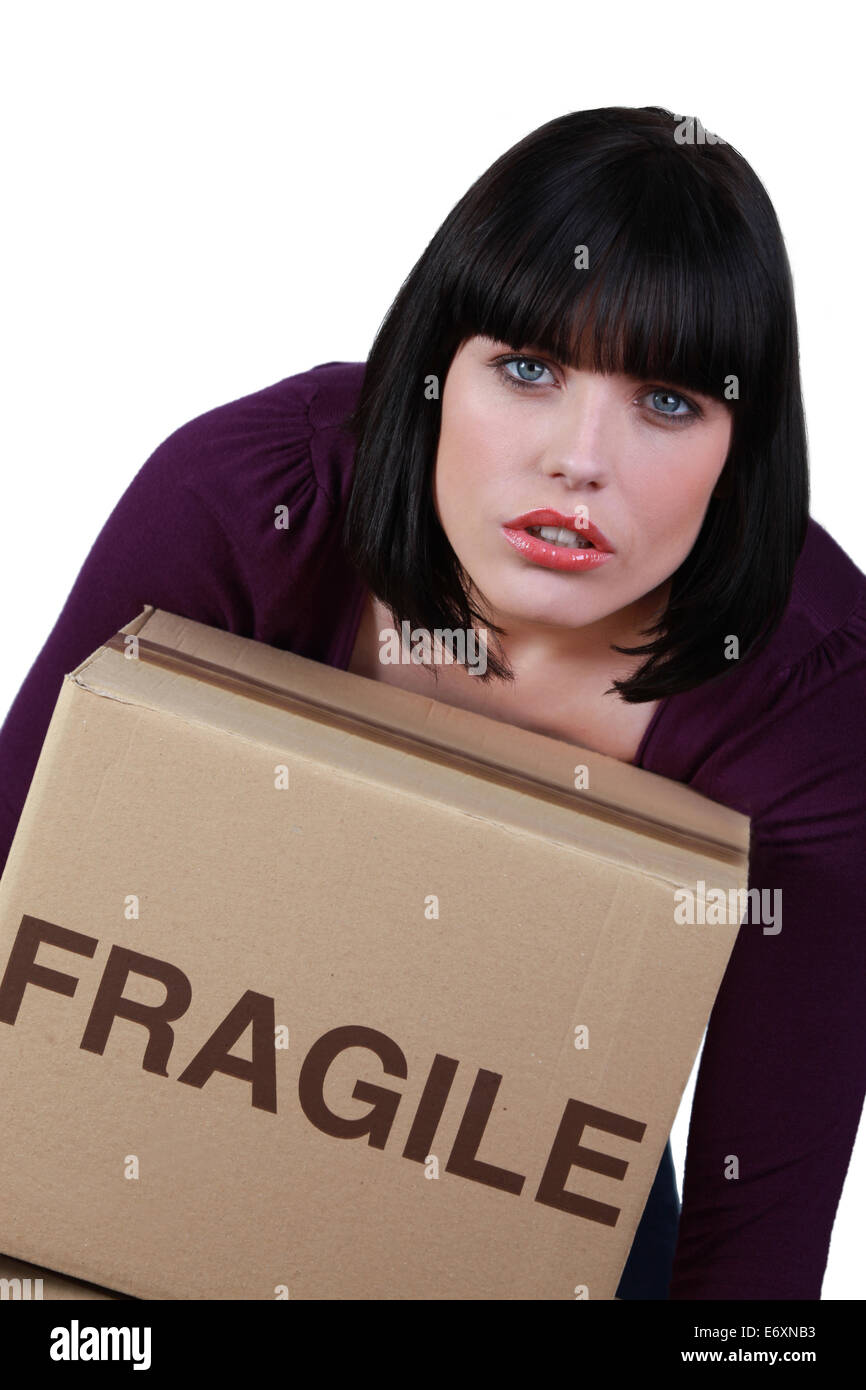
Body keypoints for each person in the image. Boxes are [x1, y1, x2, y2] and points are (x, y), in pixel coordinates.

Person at [0, 106, 863, 1299]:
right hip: (172, 1051)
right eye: (526, 368)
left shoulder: (810, 693)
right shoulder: (254, 505)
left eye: (666, 401)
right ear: (431, 374)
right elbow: (20, 897)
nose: (579, 457)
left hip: (514, 1138)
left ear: (742, 448)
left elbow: (758, 1208)